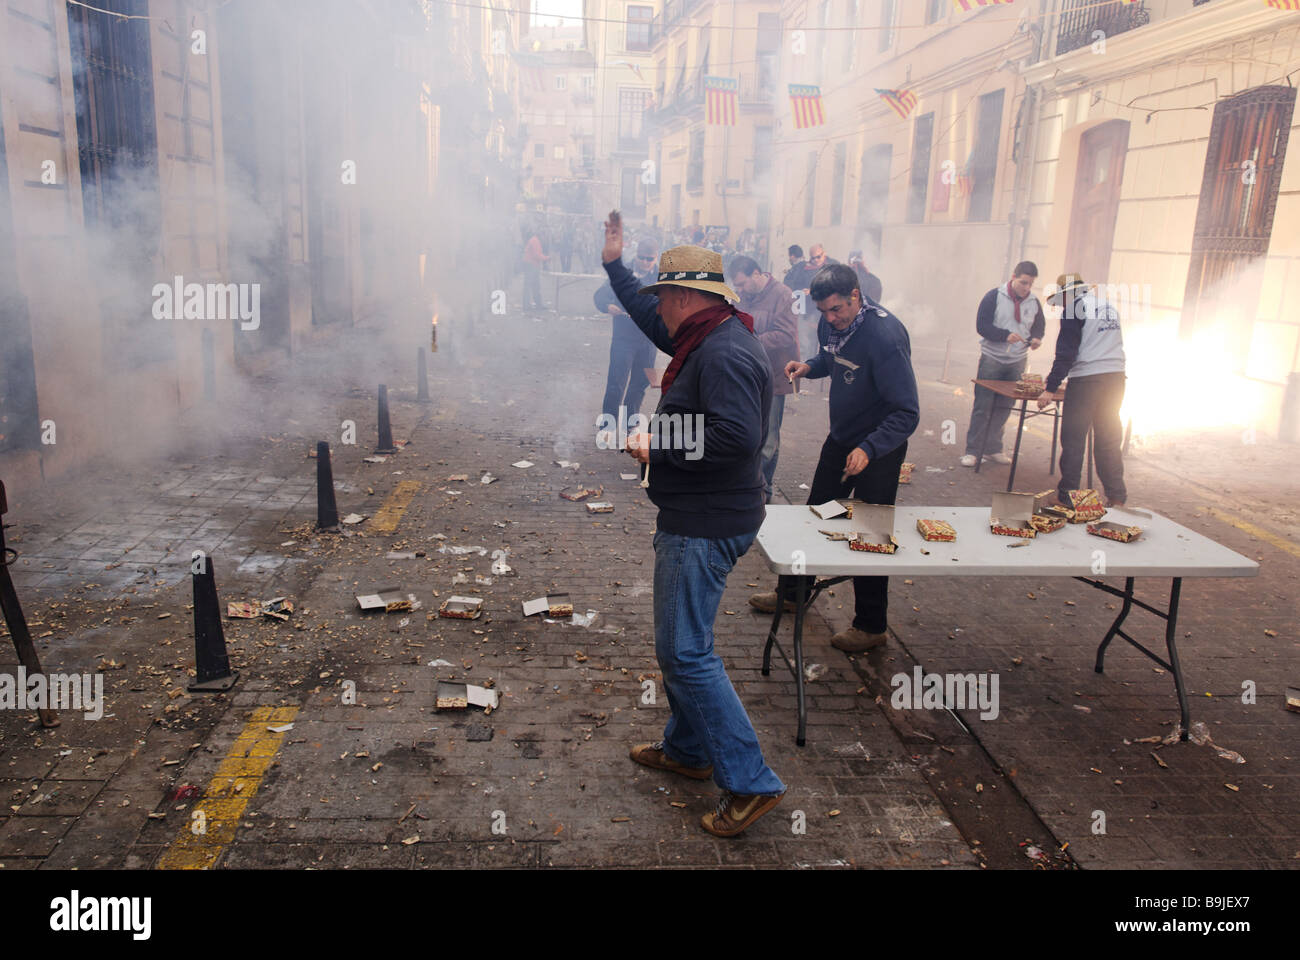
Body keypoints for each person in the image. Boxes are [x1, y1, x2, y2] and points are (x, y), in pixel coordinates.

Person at [601, 209, 786, 838]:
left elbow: (739, 436)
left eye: (663, 296)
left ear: (684, 296)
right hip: (705, 513)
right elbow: (645, 316)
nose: (659, 309)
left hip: (706, 522)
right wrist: (614, 264)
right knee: (685, 643)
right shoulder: (703, 333)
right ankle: (688, 750)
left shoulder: (725, 351)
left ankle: (751, 780)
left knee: (685, 652)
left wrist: (660, 441)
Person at [750, 264, 919, 653]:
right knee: (816, 513)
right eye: (823, 312)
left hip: (881, 445)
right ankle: (794, 593)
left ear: (856, 296)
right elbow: (832, 356)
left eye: (837, 310)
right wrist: (809, 367)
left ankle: (871, 625)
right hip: (842, 438)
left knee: (870, 532)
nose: (830, 319)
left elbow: (907, 413)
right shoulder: (832, 325)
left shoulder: (885, 336)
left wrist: (870, 448)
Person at [1037, 273, 1127, 508]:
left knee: (1074, 438)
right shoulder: (1107, 307)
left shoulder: (1074, 309)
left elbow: (1066, 353)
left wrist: (1050, 388)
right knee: (1108, 437)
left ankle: (1067, 496)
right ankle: (1117, 496)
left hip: (1087, 380)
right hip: (1116, 378)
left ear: (1066, 294)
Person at [960, 261, 1046, 467]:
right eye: (1023, 282)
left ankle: (993, 448)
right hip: (993, 357)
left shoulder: (1034, 301)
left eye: (1030, 284)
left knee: (1005, 405)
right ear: (1013, 277)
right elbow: (982, 326)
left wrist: (1036, 339)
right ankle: (973, 450)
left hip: (1017, 360)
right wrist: (1004, 336)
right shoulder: (994, 296)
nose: (1026, 288)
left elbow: (1039, 326)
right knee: (983, 405)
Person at [727, 255, 798, 504]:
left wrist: (751, 343)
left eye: (744, 284)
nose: (741, 290)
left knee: (768, 437)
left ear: (757, 274)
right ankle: (748, 484)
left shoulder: (783, 295)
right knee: (747, 430)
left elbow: (786, 335)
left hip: (776, 375)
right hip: (747, 375)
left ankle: (762, 491)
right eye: (738, 286)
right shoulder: (743, 296)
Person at [594, 239, 659, 445]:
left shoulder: (661, 277)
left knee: (640, 384)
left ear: (655, 259)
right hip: (623, 338)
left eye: (650, 259)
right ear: (636, 255)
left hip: (649, 339)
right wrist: (607, 306)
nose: (646, 262)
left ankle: (631, 425)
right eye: (642, 258)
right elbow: (600, 296)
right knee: (616, 382)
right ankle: (608, 426)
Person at [522, 226, 548, 310]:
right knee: (530, 285)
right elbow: (537, 255)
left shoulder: (535, 240)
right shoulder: (535, 241)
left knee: (535, 285)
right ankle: (527, 305)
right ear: (541, 235)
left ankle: (537, 304)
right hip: (531, 264)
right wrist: (547, 258)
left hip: (532, 264)